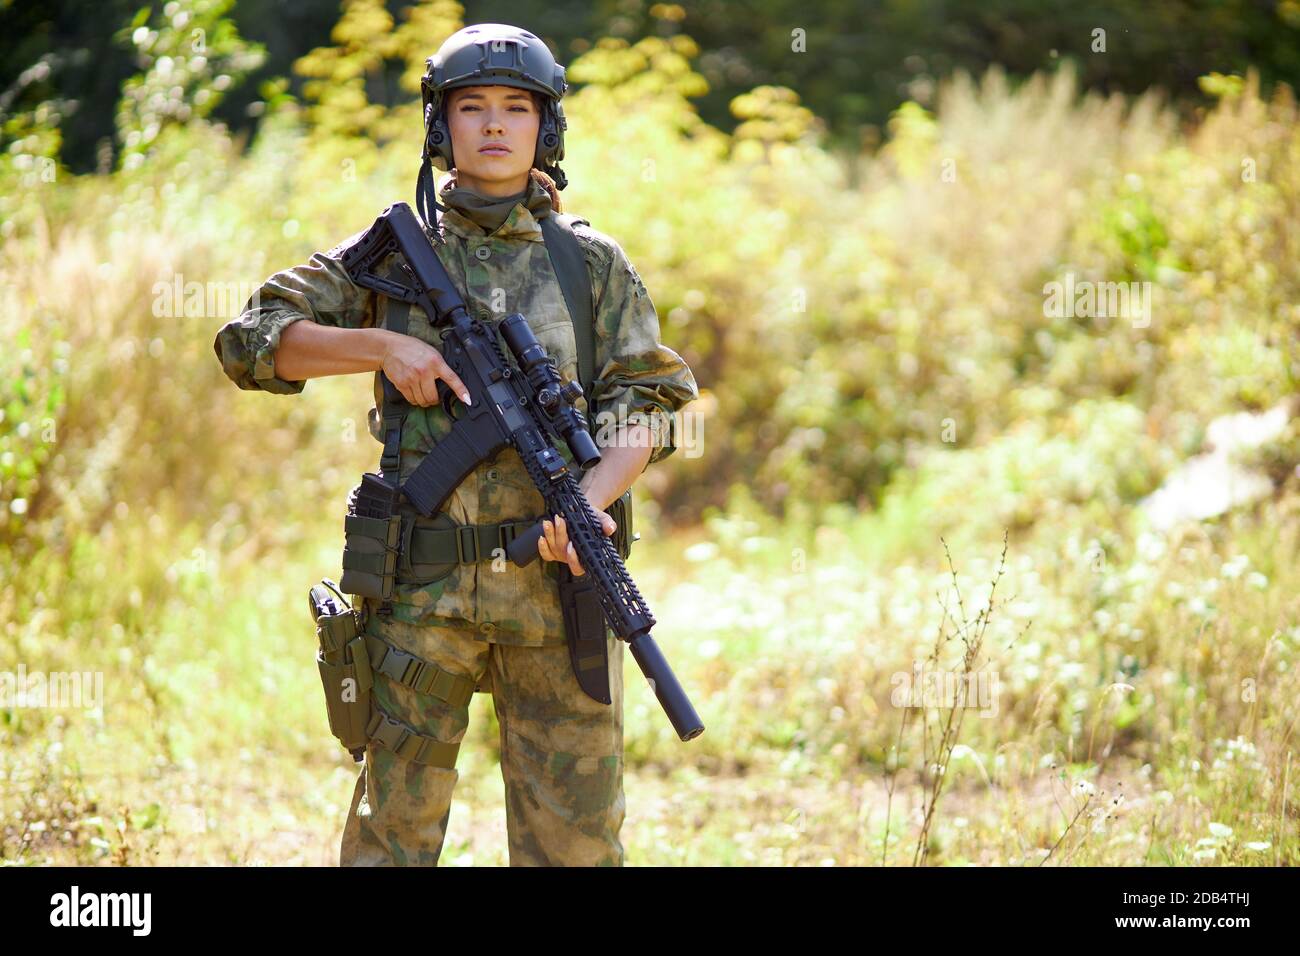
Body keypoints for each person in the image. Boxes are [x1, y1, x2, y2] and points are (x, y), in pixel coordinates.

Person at [212, 22, 698, 866]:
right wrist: (383, 348)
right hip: (420, 595)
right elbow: (252, 339)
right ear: (441, 127)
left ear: (547, 128)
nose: (496, 126)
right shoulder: (396, 256)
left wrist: (589, 499)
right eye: (472, 108)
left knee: (574, 847)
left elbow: (653, 402)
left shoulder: (588, 263)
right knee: (390, 841)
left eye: (517, 108)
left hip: (561, 596)